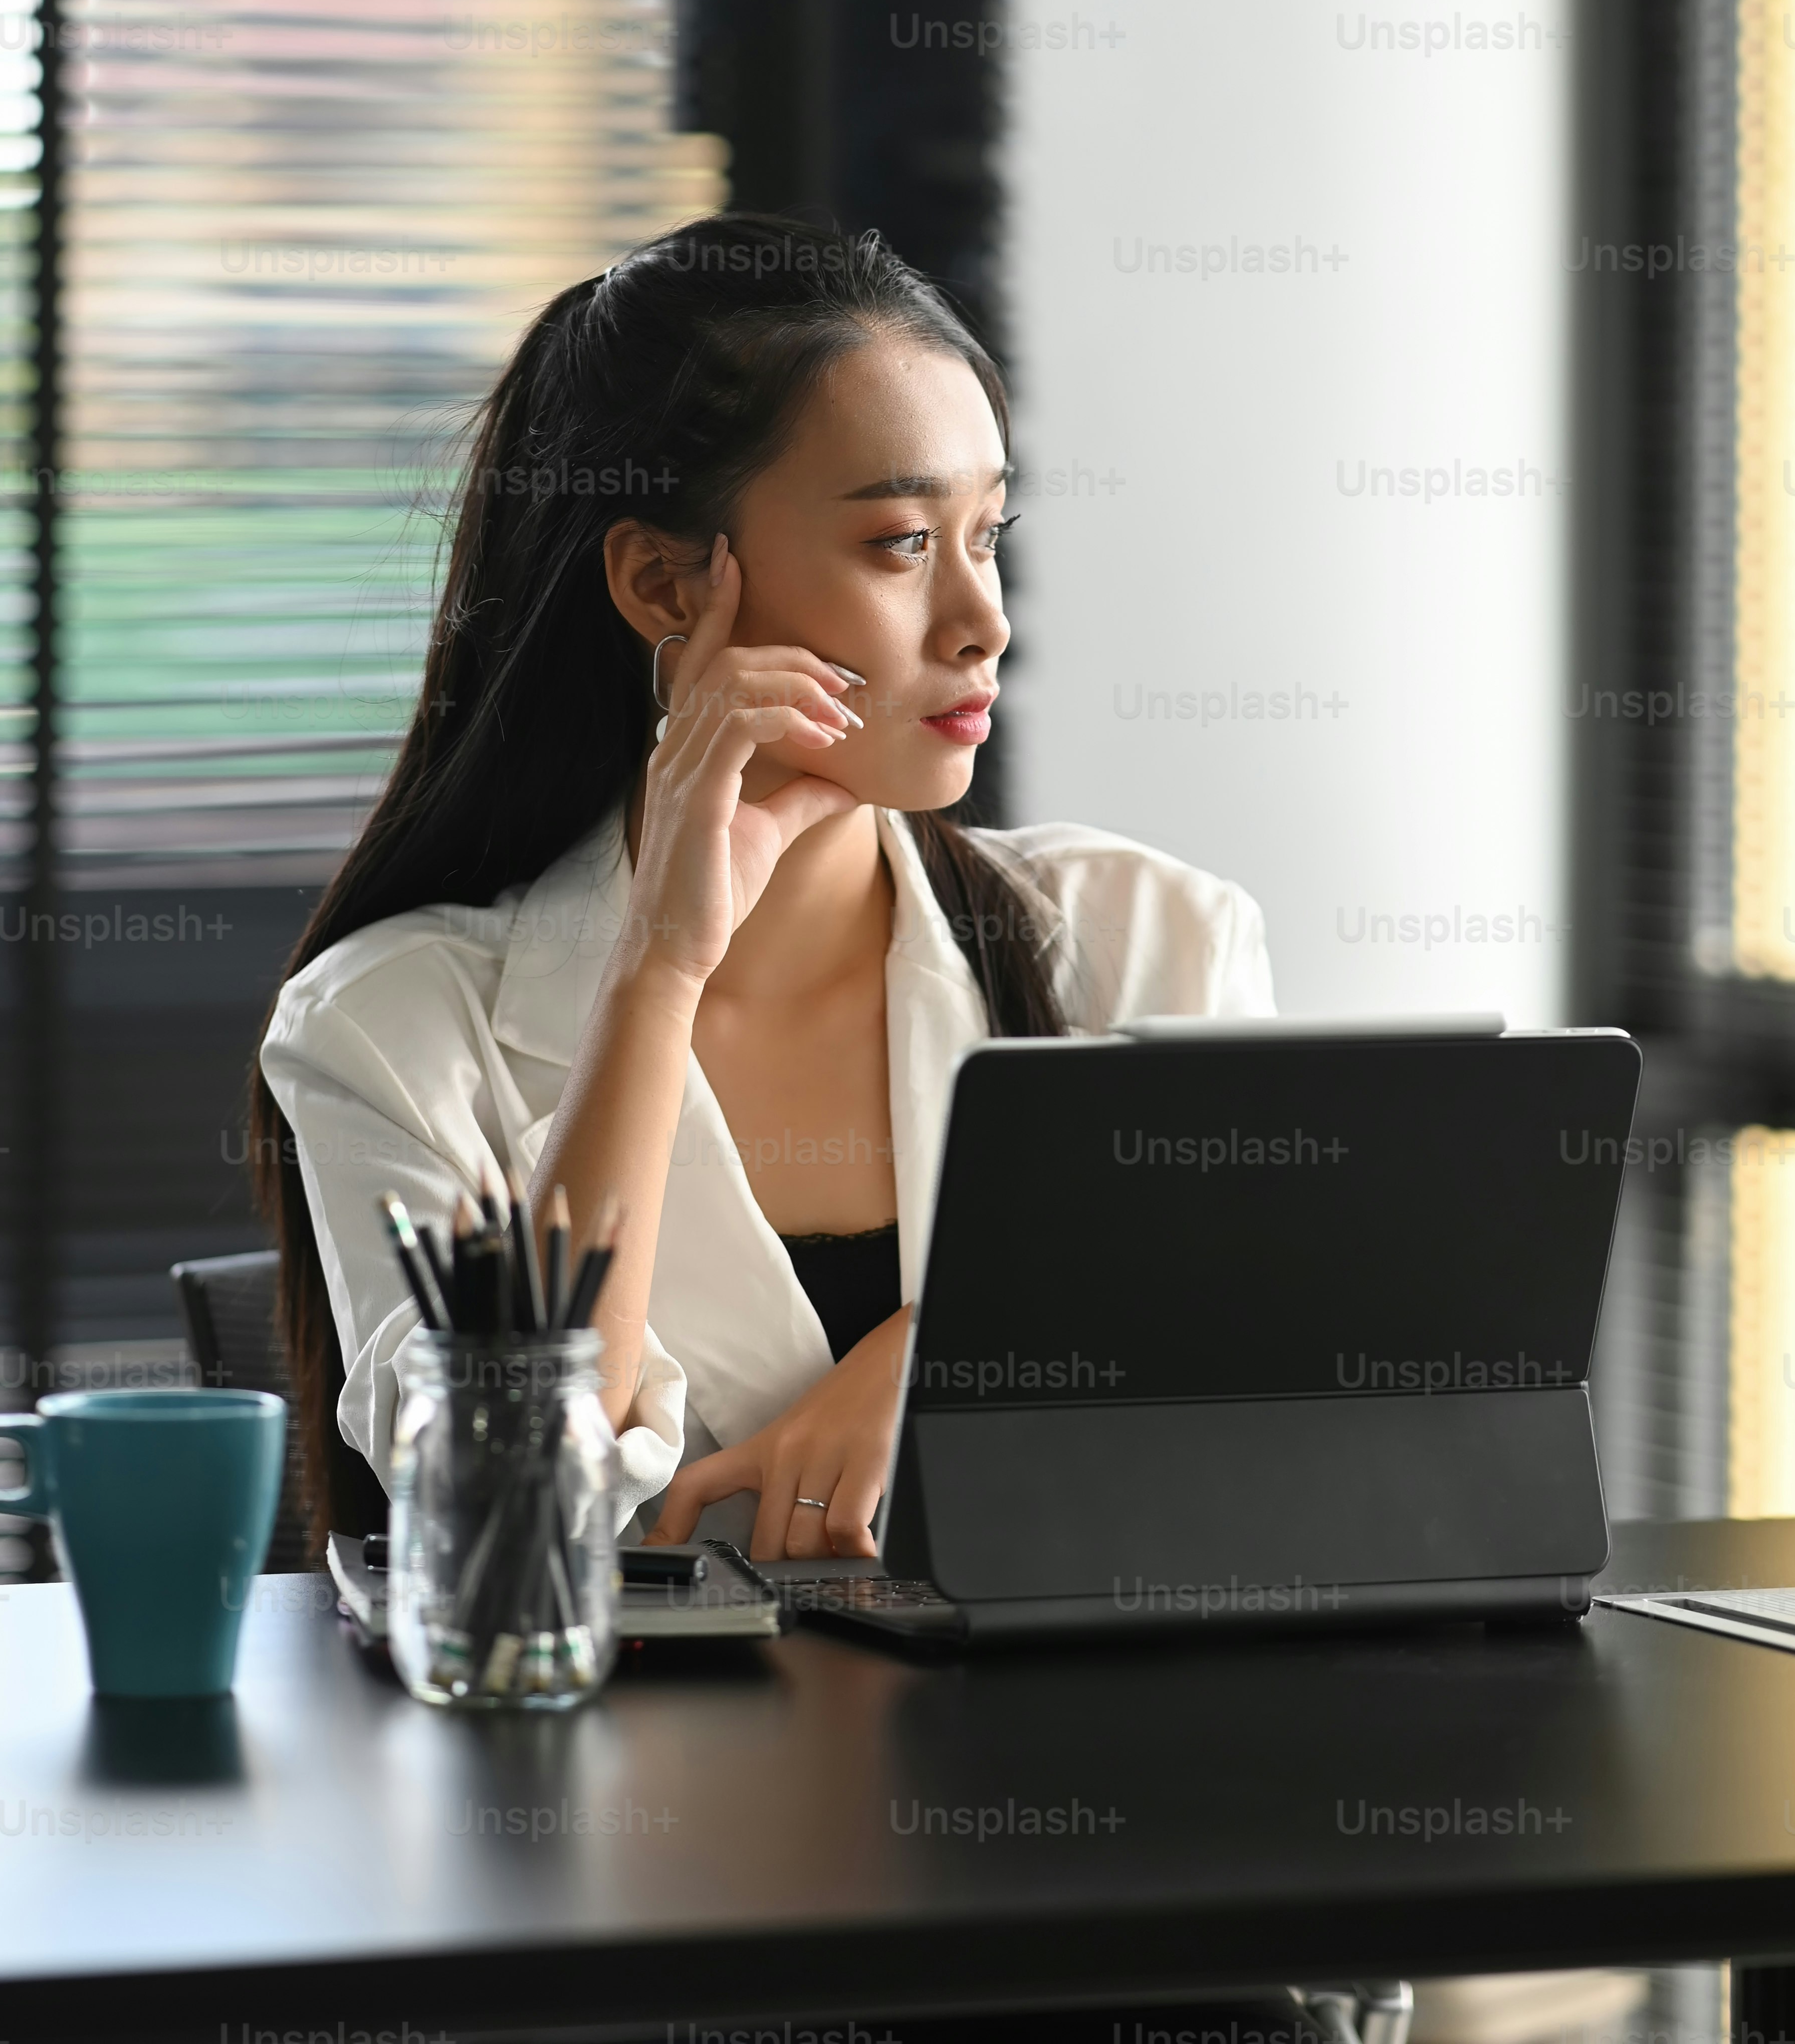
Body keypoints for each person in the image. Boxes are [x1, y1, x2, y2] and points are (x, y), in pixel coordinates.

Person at [254, 217, 1272, 1557]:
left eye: (988, 531)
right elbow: (500, 1511)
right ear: (664, 583)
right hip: (622, 1765)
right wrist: (655, 973)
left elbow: (1268, 1417)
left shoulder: (1149, 943)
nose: (983, 620)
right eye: (902, 542)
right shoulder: (386, 1024)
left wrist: (954, 1345)